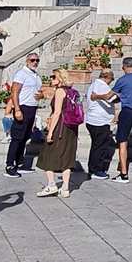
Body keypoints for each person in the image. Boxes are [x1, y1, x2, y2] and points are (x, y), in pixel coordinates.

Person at [91, 57, 132, 183]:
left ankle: (124, 174)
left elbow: (108, 96)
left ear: (124, 66)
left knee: (123, 141)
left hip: (127, 111)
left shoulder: (122, 80)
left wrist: (96, 96)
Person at [36, 69, 79, 198]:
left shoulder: (60, 91)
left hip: (60, 127)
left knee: (48, 154)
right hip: (71, 128)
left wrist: (50, 133)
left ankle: (51, 184)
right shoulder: (71, 91)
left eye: (53, 77)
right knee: (67, 156)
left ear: (60, 78)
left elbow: (57, 112)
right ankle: (65, 188)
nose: (51, 79)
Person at [4, 53, 44, 178]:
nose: (35, 62)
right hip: (23, 107)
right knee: (17, 137)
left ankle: (19, 162)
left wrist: (41, 96)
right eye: (32, 60)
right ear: (27, 61)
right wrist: (17, 109)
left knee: (25, 136)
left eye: (37, 60)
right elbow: (15, 91)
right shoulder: (22, 73)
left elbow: (38, 92)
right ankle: (10, 164)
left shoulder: (36, 76)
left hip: (32, 108)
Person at [85, 69, 116, 180]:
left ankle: (92, 168)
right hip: (99, 122)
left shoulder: (94, 84)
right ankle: (96, 170)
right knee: (100, 147)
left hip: (92, 120)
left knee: (96, 146)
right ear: (107, 77)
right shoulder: (103, 86)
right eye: (111, 79)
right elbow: (112, 99)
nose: (111, 81)